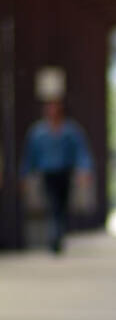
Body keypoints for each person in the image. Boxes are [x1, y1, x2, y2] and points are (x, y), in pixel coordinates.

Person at [19, 98, 95, 253]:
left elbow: (81, 152)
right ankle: (54, 236)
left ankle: (58, 234)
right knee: (52, 205)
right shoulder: (38, 132)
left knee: (62, 205)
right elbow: (30, 155)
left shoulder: (70, 130)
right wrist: (25, 174)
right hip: (47, 174)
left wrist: (84, 170)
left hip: (64, 173)